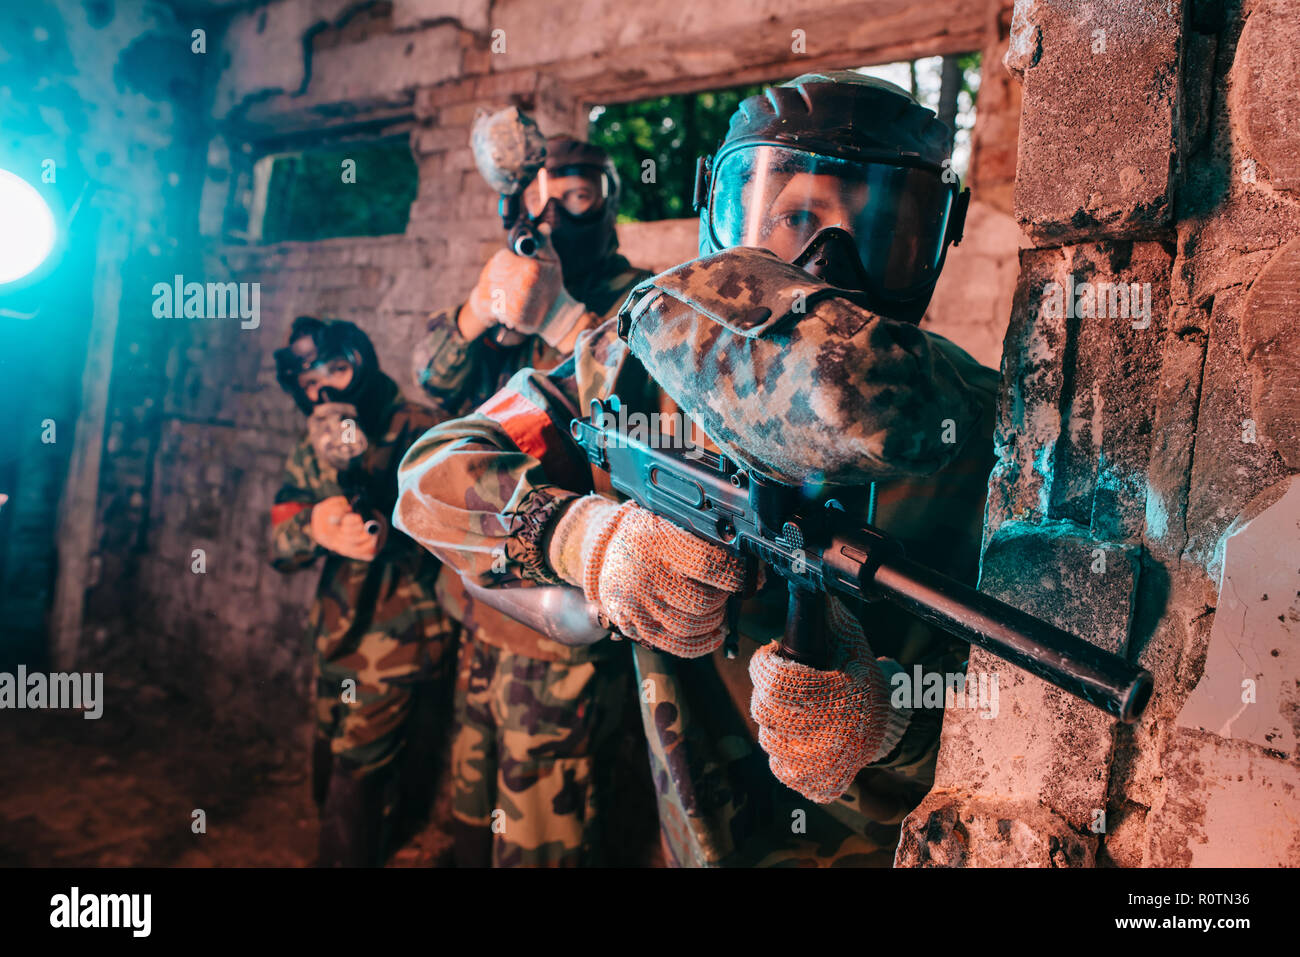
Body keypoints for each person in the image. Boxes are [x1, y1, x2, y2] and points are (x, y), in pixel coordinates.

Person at [394, 73, 998, 866]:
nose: (825, 262)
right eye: (792, 218)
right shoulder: (637, 366)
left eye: (881, 227)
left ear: (933, 244)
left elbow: (1039, 735)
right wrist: (584, 537)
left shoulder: (990, 439)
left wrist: (895, 723)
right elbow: (431, 472)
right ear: (721, 210)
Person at [410, 137, 655, 867]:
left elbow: (644, 408)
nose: (556, 216)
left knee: (542, 834)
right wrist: (479, 312)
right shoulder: (509, 280)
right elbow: (432, 375)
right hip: (486, 601)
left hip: (565, 616)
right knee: (471, 810)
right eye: (542, 200)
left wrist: (560, 321)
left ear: (608, 202)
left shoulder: (643, 300)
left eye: (578, 197)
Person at [270, 316, 458, 867]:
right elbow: (279, 542)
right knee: (329, 771)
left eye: (336, 369)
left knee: (358, 779)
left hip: (399, 642)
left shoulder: (424, 429)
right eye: (309, 384)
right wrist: (315, 527)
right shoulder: (312, 446)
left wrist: (392, 527)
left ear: (362, 362)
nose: (324, 389)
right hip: (334, 637)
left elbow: (463, 528)